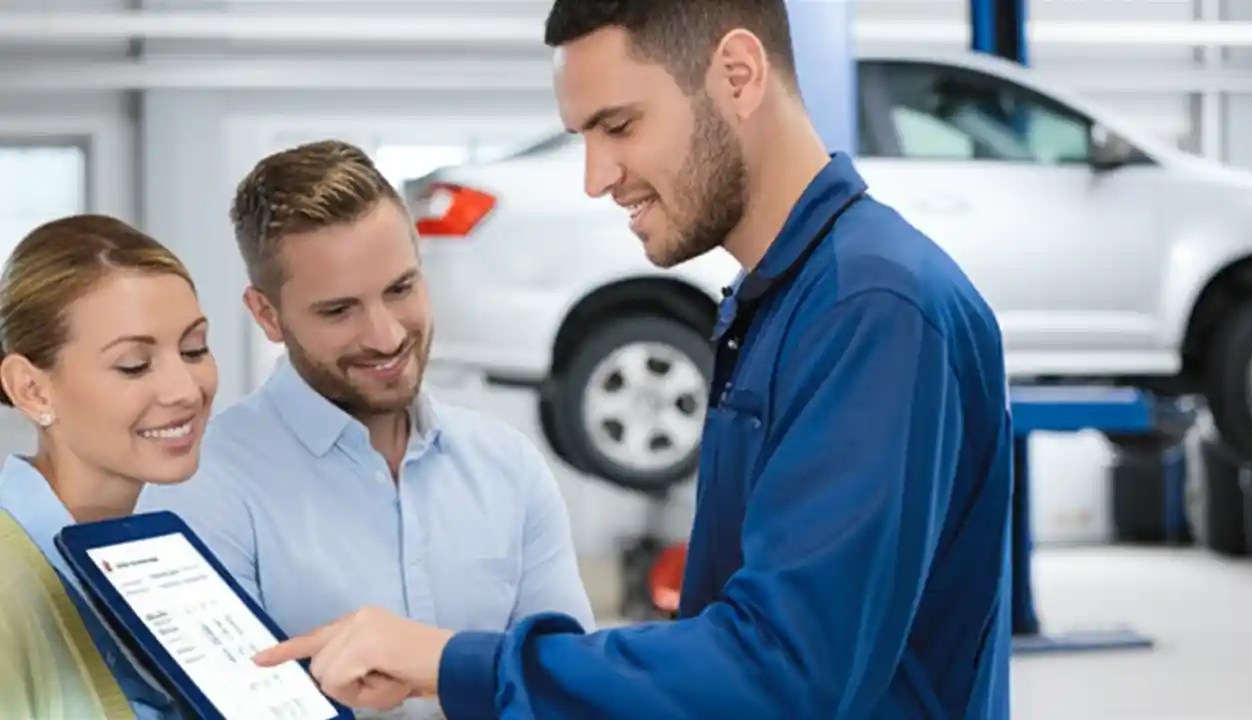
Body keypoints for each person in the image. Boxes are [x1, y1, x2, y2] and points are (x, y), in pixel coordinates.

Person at [255, 1, 1015, 717]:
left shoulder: (872, 308)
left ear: (738, 75)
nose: (596, 177)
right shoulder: (778, 302)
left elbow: (785, 675)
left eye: (618, 126)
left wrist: (455, 663)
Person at [138, 140, 596, 718]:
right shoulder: (200, 489)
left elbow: (572, 691)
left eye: (401, 289)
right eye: (339, 310)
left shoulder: (511, 468)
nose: (384, 336)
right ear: (267, 315)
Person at [0, 214, 218, 719]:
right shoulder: (9, 586)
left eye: (194, 349)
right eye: (134, 365)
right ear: (32, 389)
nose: (186, 390)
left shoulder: (157, 560)